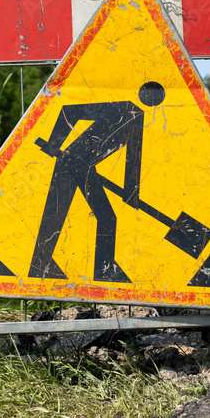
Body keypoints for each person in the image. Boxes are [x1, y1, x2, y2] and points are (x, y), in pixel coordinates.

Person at [29, 81, 165, 283]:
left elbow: (133, 161)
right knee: (56, 212)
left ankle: (101, 269)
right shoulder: (122, 107)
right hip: (69, 163)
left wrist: (131, 194)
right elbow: (69, 111)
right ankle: (43, 266)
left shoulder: (138, 120)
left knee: (106, 218)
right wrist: (54, 144)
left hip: (85, 168)